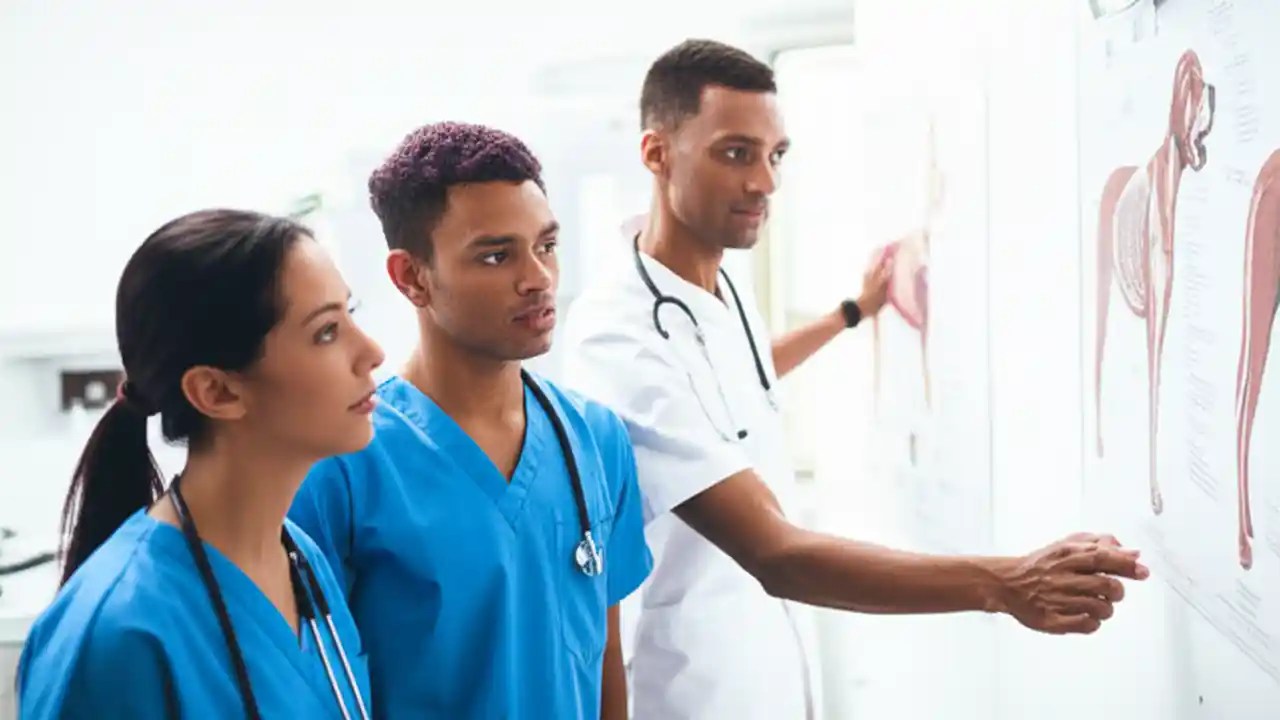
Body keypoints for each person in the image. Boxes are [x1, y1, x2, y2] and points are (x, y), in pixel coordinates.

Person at [560, 38, 1151, 720]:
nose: (765, 182)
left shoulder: (718, 285)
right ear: (657, 153)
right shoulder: (618, 333)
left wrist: (852, 313)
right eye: (736, 153)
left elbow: (743, 377)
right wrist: (1006, 581)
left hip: (776, 673)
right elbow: (776, 553)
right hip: (698, 690)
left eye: (776, 155)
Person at [287, 121, 653, 719]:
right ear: (412, 277)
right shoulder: (342, 464)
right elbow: (309, 689)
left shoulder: (595, 439)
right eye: (496, 255)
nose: (538, 278)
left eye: (546, 246)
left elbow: (604, 658)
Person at [17, 209, 385, 719]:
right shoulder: (117, 634)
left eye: (351, 314)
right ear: (217, 391)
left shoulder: (302, 561)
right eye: (326, 332)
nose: (372, 352)